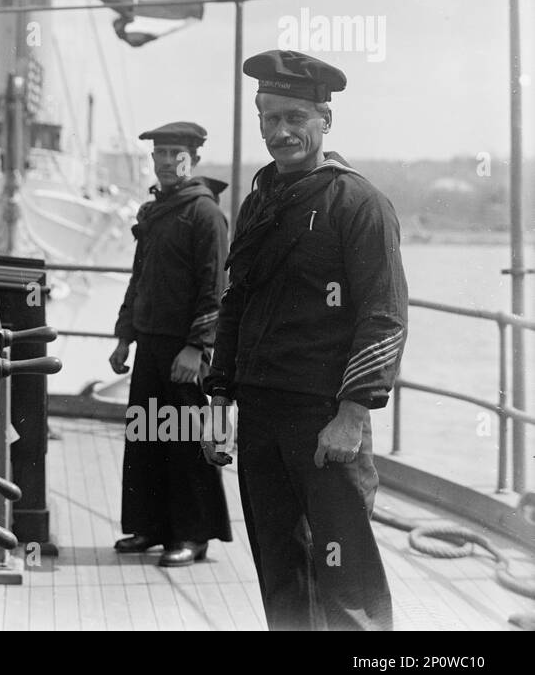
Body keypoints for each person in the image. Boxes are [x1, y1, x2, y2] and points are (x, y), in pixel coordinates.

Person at [202, 49, 407, 631]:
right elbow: (236, 303)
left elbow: (383, 316)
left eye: (296, 117)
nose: (282, 132)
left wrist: (352, 414)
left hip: (324, 419)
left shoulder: (358, 203)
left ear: (325, 120)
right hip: (262, 415)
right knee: (281, 572)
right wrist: (219, 401)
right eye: (270, 118)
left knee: (347, 580)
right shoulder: (259, 203)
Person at [109, 121, 233, 567]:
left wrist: (197, 348)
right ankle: (152, 527)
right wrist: (125, 336)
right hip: (150, 345)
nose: (165, 161)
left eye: (175, 154)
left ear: (194, 159)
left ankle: (192, 535)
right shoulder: (156, 211)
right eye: (159, 153)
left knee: (185, 443)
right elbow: (139, 278)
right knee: (145, 437)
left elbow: (214, 288)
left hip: (184, 352)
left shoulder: (205, 214)